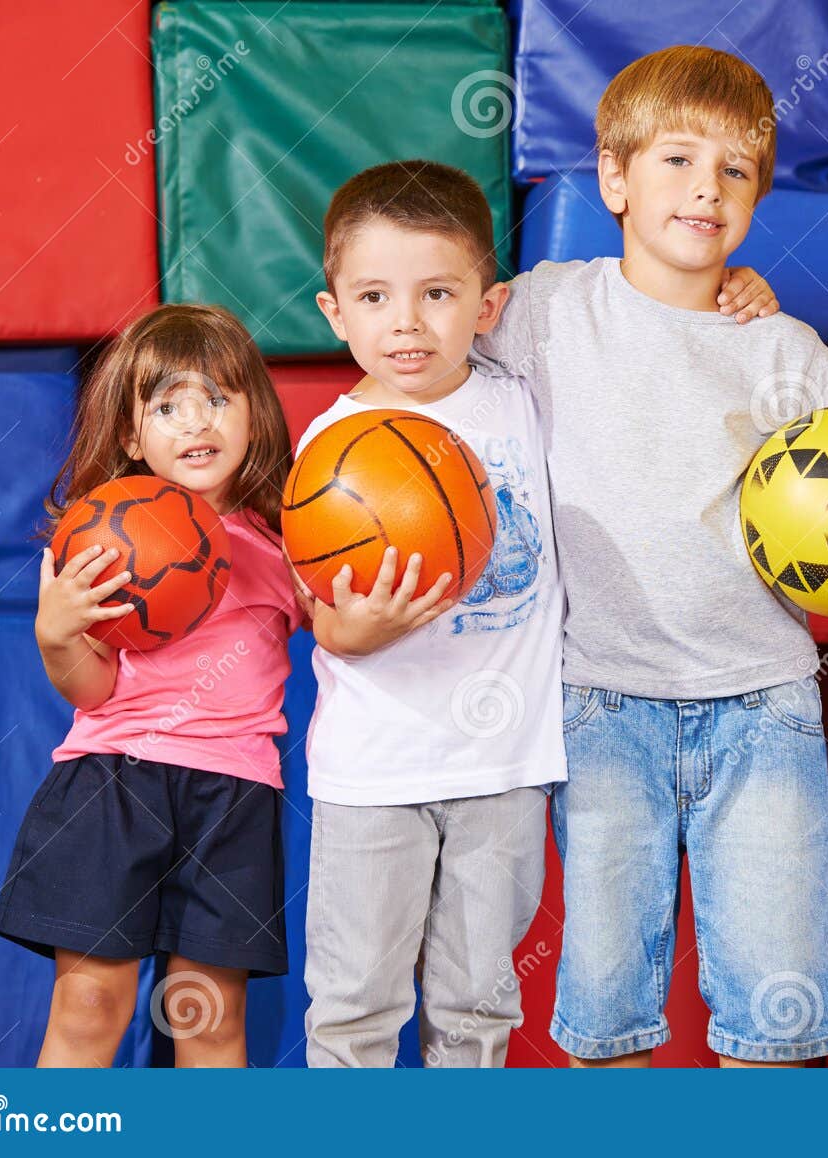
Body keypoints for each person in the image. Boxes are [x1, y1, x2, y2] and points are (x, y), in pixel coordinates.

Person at [473, 46, 828, 1066]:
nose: (706, 186)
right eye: (675, 160)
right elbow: (426, 355)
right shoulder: (542, 309)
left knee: (777, 1014)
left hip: (764, 707)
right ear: (611, 178)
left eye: (735, 170)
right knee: (604, 1014)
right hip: (600, 701)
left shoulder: (779, 347)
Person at [298, 161, 565, 1067]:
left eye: (438, 292)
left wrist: (737, 284)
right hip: (375, 772)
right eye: (374, 296)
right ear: (335, 312)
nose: (406, 321)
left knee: (477, 1012)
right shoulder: (328, 447)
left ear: (488, 306)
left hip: (507, 766)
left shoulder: (522, 401)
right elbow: (326, 625)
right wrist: (364, 628)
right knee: (355, 1010)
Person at [0, 303, 302, 1067]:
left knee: (207, 1017)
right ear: (132, 436)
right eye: (168, 406)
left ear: (255, 417)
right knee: (92, 1002)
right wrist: (56, 632)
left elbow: (344, 637)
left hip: (233, 796)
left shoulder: (289, 541)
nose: (196, 422)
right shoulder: (101, 540)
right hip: (110, 784)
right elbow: (90, 691)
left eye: (218, 399)